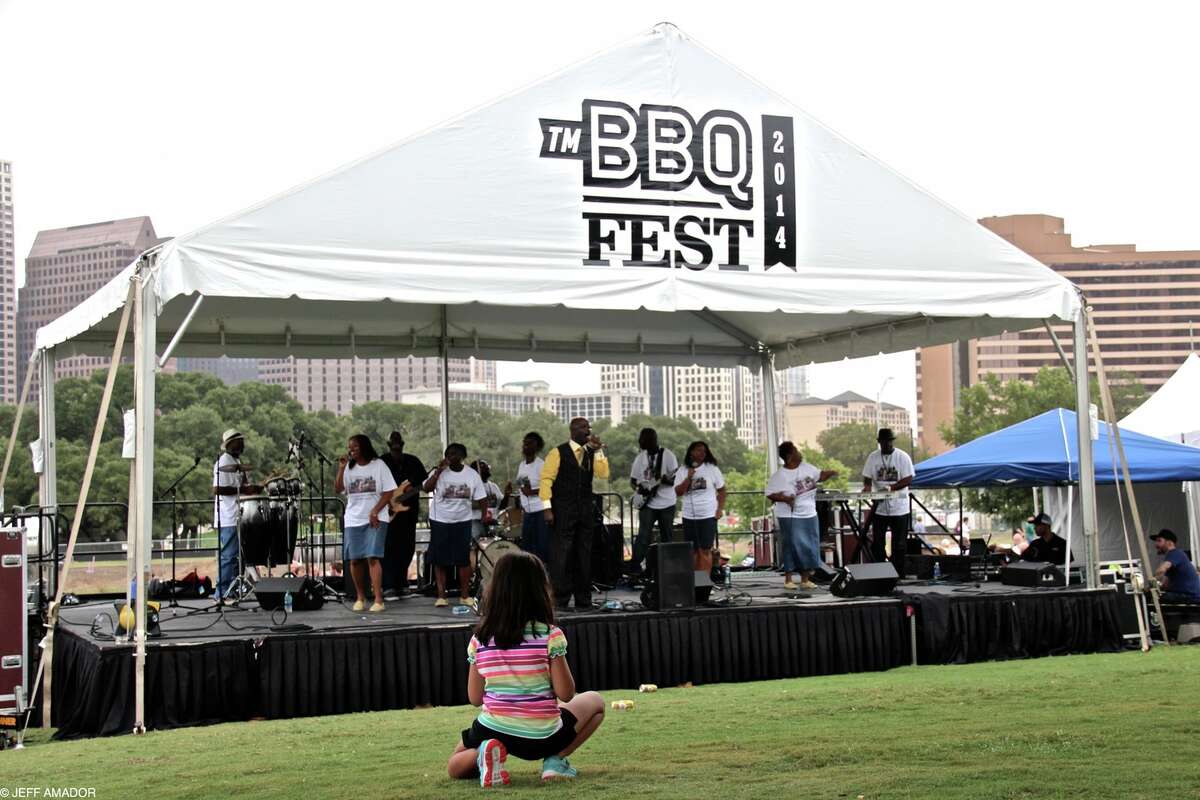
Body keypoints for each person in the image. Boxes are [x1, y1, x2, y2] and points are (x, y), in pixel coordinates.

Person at [447, 551, 605, 786]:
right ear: (540, 590)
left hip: (493, 729)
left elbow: (474, 698)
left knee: (454, 764)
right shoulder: (550, 635)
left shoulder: (479, 639)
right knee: (595, 702)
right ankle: (555, 761)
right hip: (543, 736)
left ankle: (483, 754)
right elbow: (566, 694)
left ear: (495, 590)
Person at [539, 417, 609, 609]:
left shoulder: (591, 452)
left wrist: (598, 450)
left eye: (589, 427)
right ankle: (559, 600)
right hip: (562, 510)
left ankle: (583, 599)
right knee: (562, 555)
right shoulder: (557, 452)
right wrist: (547, 508)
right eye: (584, 427)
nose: (588, 431)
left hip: (584, 511)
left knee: (584, 555)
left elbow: (603, 474)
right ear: (573, 430)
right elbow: (546, 480)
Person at [335, 434, 397, 613]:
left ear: (364, 447)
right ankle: (360, 597)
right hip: (354, 518)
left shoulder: (378, 465)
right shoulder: (349, 468)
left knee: (372, 557)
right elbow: (338, 489)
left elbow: (389, 491)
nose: (351, 450)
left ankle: (378, 599)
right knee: (355, 560)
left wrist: (375, 510)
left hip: (376, 518)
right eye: (350, 447)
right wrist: (341, 469)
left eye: (355, 447)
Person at [423, 443, 487, 608]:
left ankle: (464, 595)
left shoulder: (471, 475)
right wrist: (438, 472)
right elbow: (426, 488)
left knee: (463, 559)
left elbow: (482, 497)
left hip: (462, 520)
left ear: (462, 456)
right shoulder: (440, 472)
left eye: (454, 454)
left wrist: (485, 514)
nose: (450, 457)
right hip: (440, 520)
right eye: (448, 454)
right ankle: (441, 596)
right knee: (439, 559)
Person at [766, 441, 837, 590]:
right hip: (790, 516)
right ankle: (788, 579)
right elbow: (770, 494)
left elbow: (820, 476)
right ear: (789, 456)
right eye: (796, 450)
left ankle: (805, 579)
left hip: (809, 513)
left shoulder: (807, 467)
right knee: (791, 546)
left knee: (809, 546)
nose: (799, 453)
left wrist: (831, 472)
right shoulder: (780, 476)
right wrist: (785, 499)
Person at [211, 429, 261, 601]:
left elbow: (243, 486)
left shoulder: (237, 462)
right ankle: (221, 592)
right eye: (239, 442)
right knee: (229, 555)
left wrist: (251, 487)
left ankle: (232, 590)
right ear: (230, 444)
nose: (242, 445)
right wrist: (242, 489)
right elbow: (217, 489)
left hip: (239, 515)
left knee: (238, 556)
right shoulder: (223, 462)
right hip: (228, 516)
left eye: (243, 442)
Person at [380, 431, 426, 598]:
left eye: (398, 441)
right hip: (388, 513)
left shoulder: (413, 462)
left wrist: (414, 489)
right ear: (388, 444)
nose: (396, 443)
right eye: (393, 441)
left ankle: (402, 583)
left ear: (403, 443)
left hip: (408, 513)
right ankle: (388, 585)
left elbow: (424, 483)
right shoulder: (382, 462)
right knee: (388, 548)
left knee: (406, 549)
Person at [861, 428, 915, 571]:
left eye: (890, 441)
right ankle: (880, 571)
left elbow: (908, 479)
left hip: (899, 508)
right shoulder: (873, 457)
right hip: (880, 508)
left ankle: (898, 572)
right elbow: (867, 477)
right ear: (879, 442)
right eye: (885, 442)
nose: (888, 444)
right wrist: (867, 489)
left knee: (899, 544)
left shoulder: (903, 457)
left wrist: (891, 488)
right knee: (878, 543)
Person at [629, 427, 679, 572]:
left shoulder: (668, 455)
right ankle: (634, 567)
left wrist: (665, 480)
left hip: (667, 503)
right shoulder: (640, 458)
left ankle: (668, 568)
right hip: (647, 503)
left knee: (667, 536)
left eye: (644, 440)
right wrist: (639, 489)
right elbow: (632, 481)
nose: (642, 443)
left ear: (654, 440)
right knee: (643, 536)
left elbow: (675, 479)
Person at [674, 441, 726, 571]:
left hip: (708, 515)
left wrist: (719, 509)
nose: (702, 453)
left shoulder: (712, 469)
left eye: (704, 451)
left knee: (705, 550)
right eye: (698, 450)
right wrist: (688, 478)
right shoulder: (683, 470)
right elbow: (678, 492)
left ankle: (704, 581)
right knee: (692, 550)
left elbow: (722, 490)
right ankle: (694, 580)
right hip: (689, 516)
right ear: (691, 452)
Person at [507, 432, 550, 563]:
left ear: (537, 446)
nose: (526, 445)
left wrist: (532, 492)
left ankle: (543, 571)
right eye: (525, 442)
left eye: (530, 442)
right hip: (527, 512)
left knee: (541, 547)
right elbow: (522, 485)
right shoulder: (522, 465)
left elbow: (549, 487)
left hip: (540, 511)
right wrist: (511, 490)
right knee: (527, 546)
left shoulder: (541, 465)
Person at [1150, 529, 1200, 602]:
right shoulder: (1173, 559)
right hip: (1187, 596)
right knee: (1156, 596)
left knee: (1151, 599)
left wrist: (1149, 585)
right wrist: (1157, 588)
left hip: (1189, 596)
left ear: (1169, 543)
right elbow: (1165, 584)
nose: (1156, 544)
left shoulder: (1175, 553)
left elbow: (1161, 570)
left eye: (1159, 541)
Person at [470, 460, 506, 540]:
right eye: (484, 467)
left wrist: (507, 495)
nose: (488, 468)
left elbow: (501, 506)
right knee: (478, 544)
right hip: (476, 521)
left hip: (492, 521)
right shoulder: (471, 486)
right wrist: (485, 501)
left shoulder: (493, 486)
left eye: (487, 466)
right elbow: (468, 504)